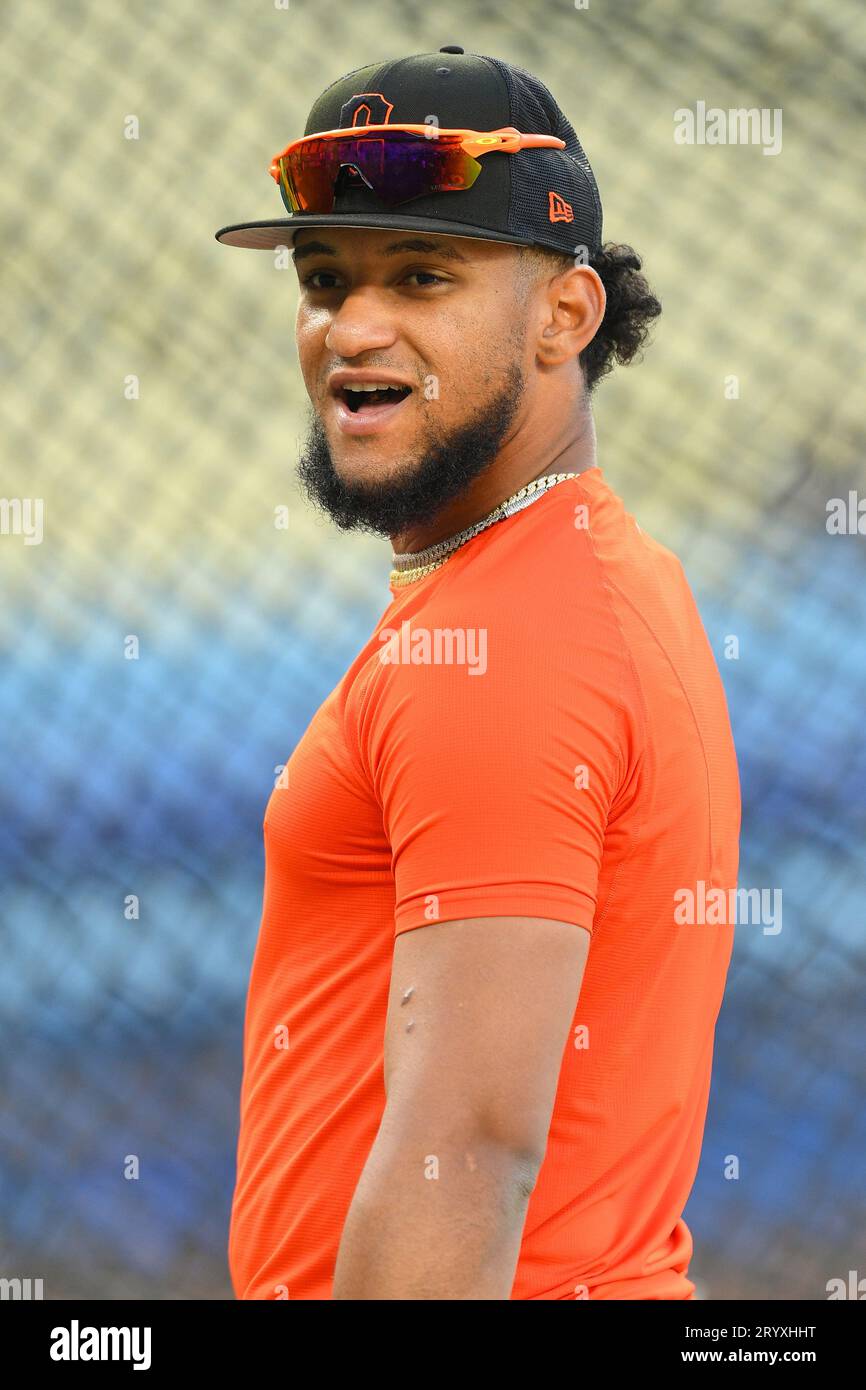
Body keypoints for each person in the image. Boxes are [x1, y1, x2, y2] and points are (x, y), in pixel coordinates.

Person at [215, 45, 741, 1301]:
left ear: (565, 314)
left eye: (422, 275)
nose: (352, 326)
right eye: (323, 277)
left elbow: (469, 1148)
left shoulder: (502, 644)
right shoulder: (569, 573)